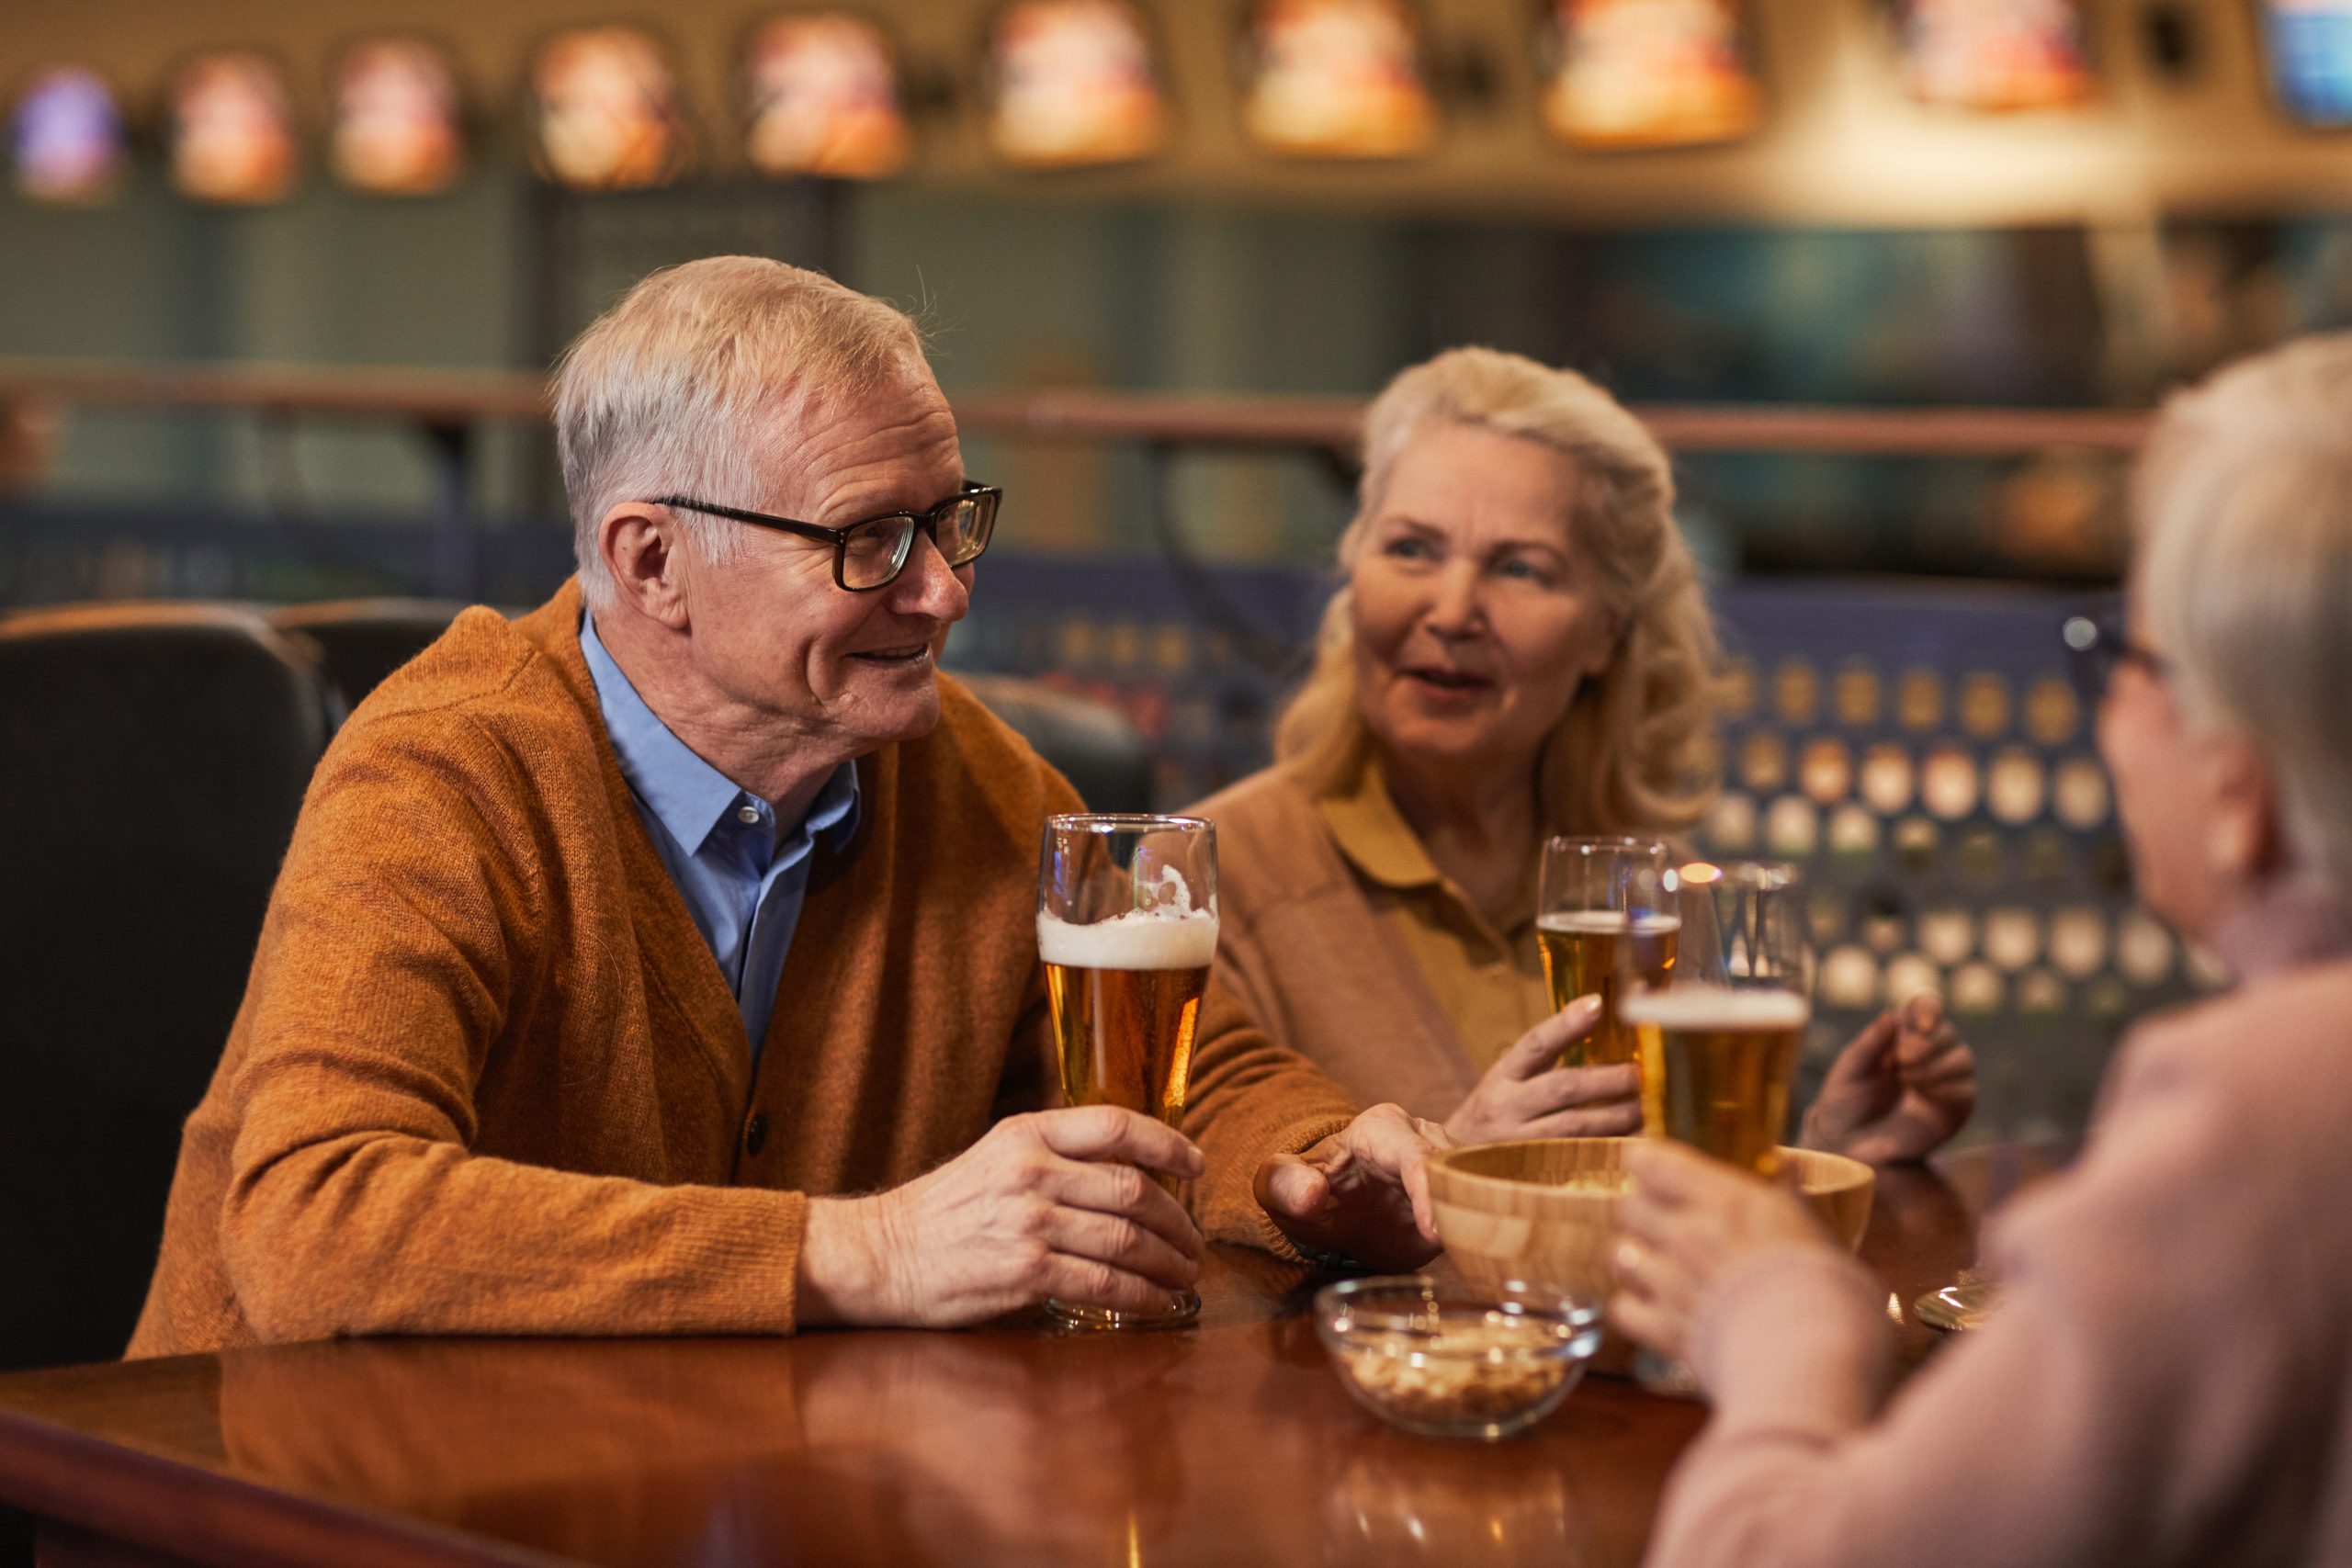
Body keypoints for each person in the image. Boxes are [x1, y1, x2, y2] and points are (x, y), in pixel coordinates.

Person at [130, 257, 1441, 1357]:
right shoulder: (445, 770)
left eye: (949, 521)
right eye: (869, 538)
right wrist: (864, 1246)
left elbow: (1192, 1069)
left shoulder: (976, 776)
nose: (944, 593)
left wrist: (1318, 1167)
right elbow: (318, 1220)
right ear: (656, 562)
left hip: (681, 1478)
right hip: (271, 1495)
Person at [1609, 333, 2352, 1566]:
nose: (2112, 710)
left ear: (2240, 787)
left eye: (2134, 655)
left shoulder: (2266, 1106)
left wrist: (1788, 1318)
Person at [1190, 346, 1973, 1158]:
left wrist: (1827, 1151)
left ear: (1607, 631)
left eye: (1520, 568)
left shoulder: (1663, 894)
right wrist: (1461, 1162)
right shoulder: (1216, 883)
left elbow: (1699, 1215)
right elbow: (1206, 1229)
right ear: (1353, 573)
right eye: (1412, 550)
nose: (1453, 609)